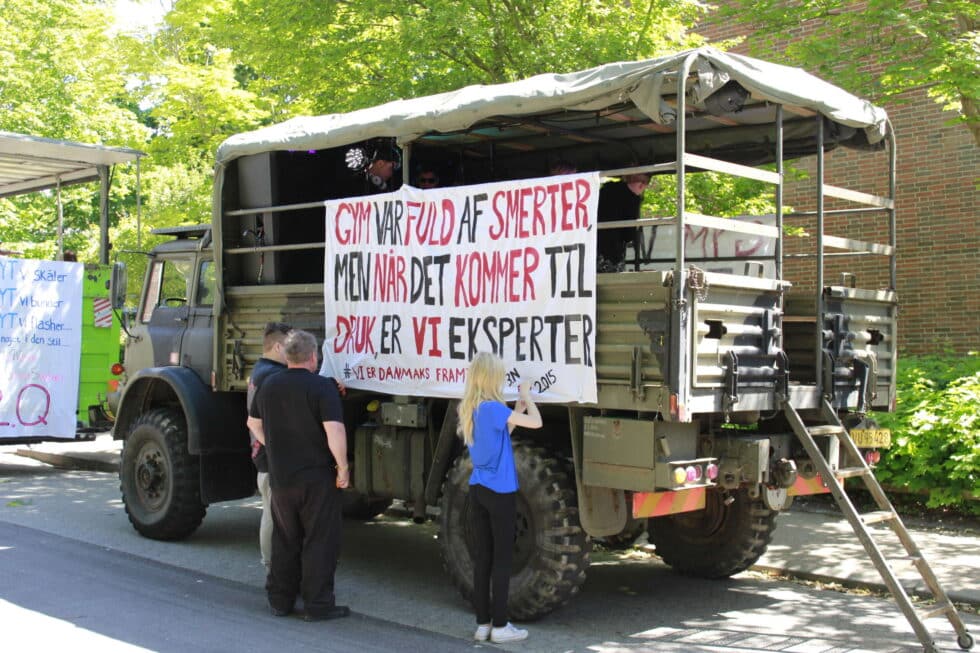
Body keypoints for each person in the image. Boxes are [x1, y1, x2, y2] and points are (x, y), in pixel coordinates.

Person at [247, 329, 351, 621]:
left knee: (285, 539)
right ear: (313, 356)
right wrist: (342, 467)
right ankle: (318, 605)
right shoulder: (322, 388)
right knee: (319, 540)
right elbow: (335, 430)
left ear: (287, 355)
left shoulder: (268, 385)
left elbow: (252, 423)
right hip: (317, 479)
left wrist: (275, 444)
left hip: (282, 477)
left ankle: (280, 600)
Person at [457, 352, 542, 644]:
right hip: (500, 493)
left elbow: (501, 434)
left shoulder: (473, 408)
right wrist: (527, 396)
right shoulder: (494, 407)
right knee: (502, 560)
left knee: (483, 559)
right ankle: (502, 626)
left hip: (478, 489)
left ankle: (483, 624)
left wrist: (515, 409)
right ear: (492, 378)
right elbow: (537, 422)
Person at [247, 321, 292, 572]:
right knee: (274, 516)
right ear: (277, 346)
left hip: (264, 455)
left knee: (271, 512)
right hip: (270, 457)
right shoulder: (272, 377)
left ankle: (273, 567)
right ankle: (271, 568)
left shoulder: (261, 370)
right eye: (290, 346)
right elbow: (258, 423)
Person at [596, 172, 651, 272]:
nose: (643, 187)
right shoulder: (633, 198)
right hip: (613, 251)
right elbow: (629, 233)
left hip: (595, 244)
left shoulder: (606, 190)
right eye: (643, 183)